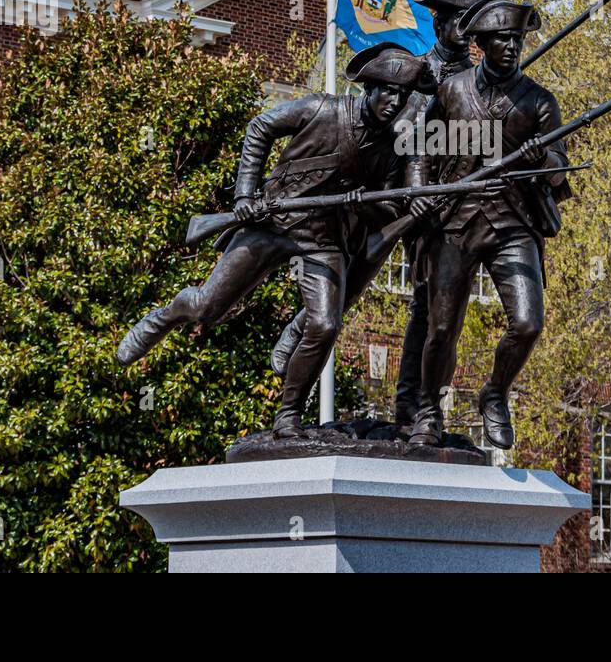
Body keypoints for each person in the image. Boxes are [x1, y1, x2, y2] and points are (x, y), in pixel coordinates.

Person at [115, 43, 435, 438]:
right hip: (271, 223)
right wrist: (246, 195)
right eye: (388, 90)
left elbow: (388, 203)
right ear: (369, 88)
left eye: (403, 96)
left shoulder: (396, 147)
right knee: (208, 308)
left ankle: (288, 415)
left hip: (323, 239)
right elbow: (260, 128)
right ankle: (167, 315)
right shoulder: (321, 109)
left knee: (324, 325)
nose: (394, 101)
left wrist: (372, 204)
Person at [267, 0, 493, 426]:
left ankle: (414, 409)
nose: (468, 33)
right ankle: (297, 347)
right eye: (460, 22)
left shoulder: (480, 81)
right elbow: (396, 128)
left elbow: (484, 137)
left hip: (445, 202)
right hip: (390, 193)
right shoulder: (416, 70)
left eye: (473, 25)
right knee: (349, 283)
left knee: (433, 309)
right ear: (441, 24)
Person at [408, 0, 571, 449]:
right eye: (502, 39)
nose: (512, 47)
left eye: (517, 40)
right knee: (440, 329)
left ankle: (495, 394)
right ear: (479, 44)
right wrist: (421, 190)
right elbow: (422, 146)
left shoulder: (539, 102)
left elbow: (560, 172)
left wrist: (544, 161)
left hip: (512, 223)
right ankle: (427, 409)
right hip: (455, 221)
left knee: (528, 322)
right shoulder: (453, 90)